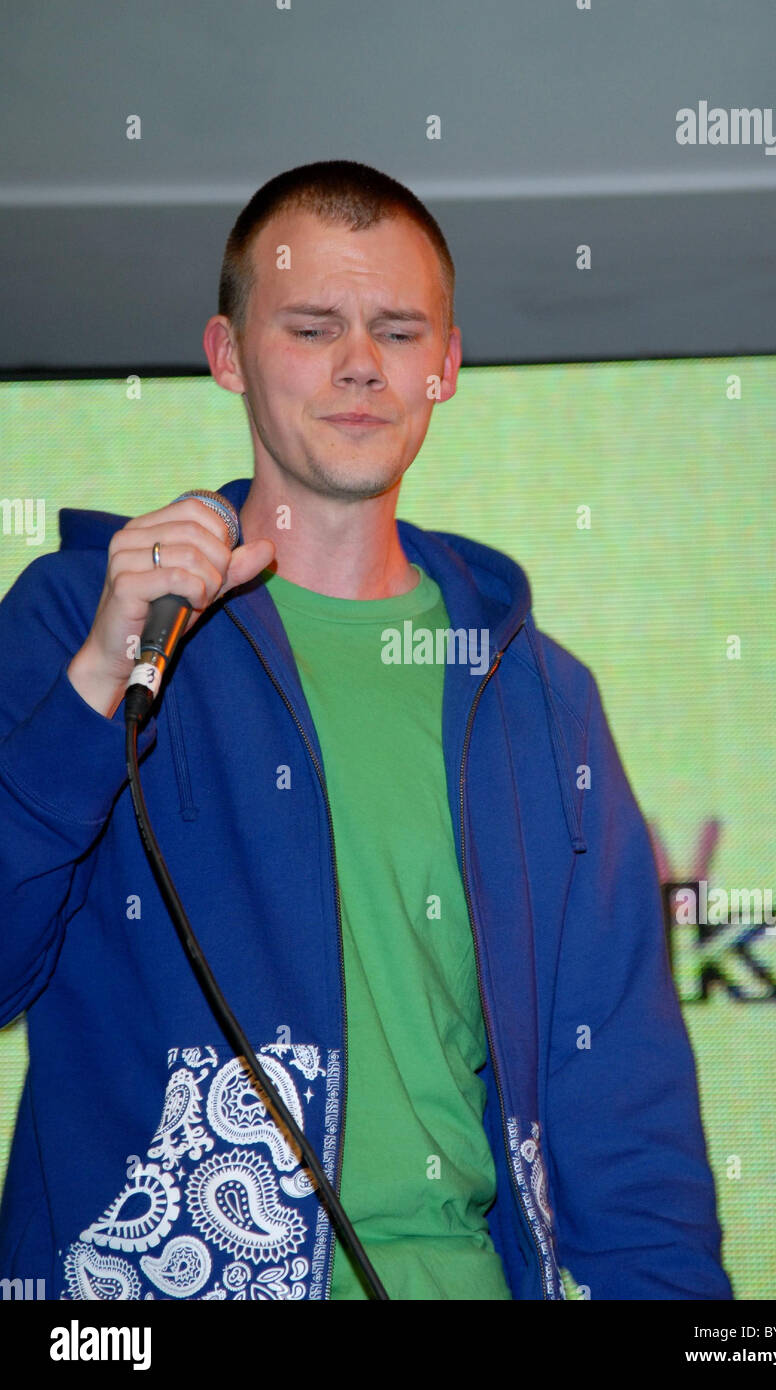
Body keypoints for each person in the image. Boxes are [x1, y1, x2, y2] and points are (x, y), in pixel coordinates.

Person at [0, 160, 732, 1301]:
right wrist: (100, 673)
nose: (358, 363)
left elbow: (625, 1110)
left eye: (397, 330)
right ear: (228, 353)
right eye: (311, 325)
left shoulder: (539, 695)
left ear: (445, 365)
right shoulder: (80, 617)